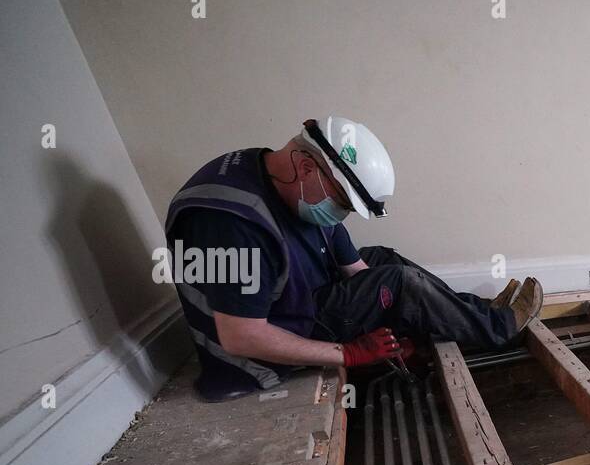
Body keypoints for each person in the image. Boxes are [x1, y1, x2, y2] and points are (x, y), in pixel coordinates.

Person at [164, 115, 542, 399]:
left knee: (383, 259)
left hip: (298, 302)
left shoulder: (286, 180)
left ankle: (474, 315)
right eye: (342, 202)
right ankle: (499, 329)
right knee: (398, 282)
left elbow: (357, 269)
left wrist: (395, 320)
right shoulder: (226, 224)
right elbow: (241, 338)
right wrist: (349, 352)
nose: (339, 213)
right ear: (307, 166)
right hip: (260, 350)